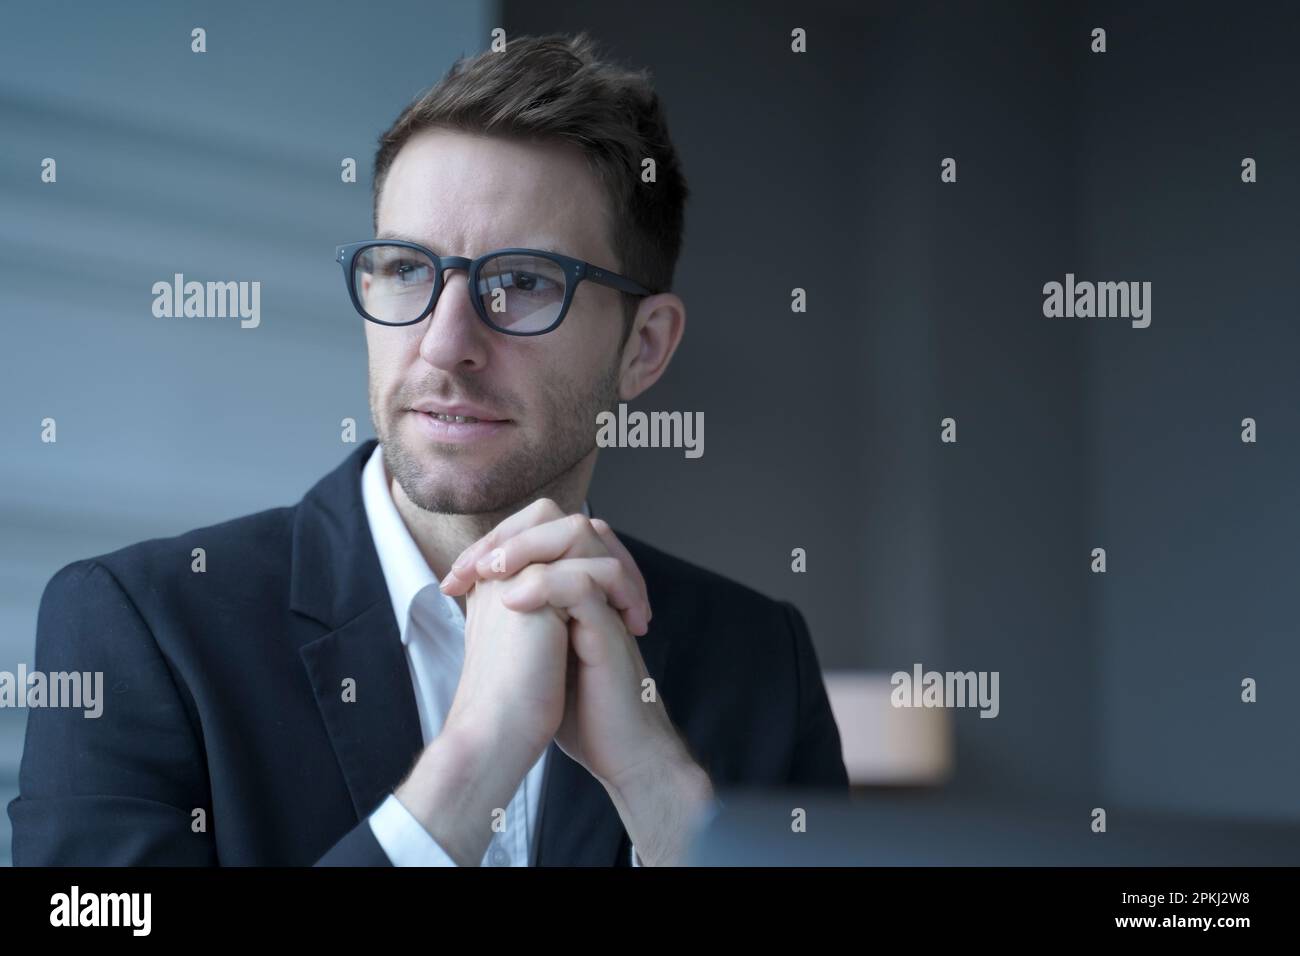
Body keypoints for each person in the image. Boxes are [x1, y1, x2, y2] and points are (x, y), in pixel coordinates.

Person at [8, 31, 847, 867]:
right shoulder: (138, 627)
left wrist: (668, 804)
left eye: (522, 282)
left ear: (645, 348)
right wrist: (464, 775)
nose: (445, 345)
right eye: (407, 269)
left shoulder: (761, 662)